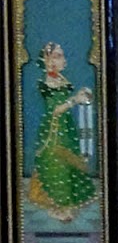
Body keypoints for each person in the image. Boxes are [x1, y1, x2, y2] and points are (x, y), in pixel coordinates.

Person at [28, 41, 96, 222]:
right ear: (48, 60)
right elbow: (55, 110)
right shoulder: (47, 82)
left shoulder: (61, 79)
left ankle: (68, 206)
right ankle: (60, 207)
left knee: (68, 164)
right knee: (55, 165)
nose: (62, 60)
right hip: (53, 129)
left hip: (66, 127)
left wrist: (82, 95)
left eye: (62, 55)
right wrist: (75, 100)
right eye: (58, 56)